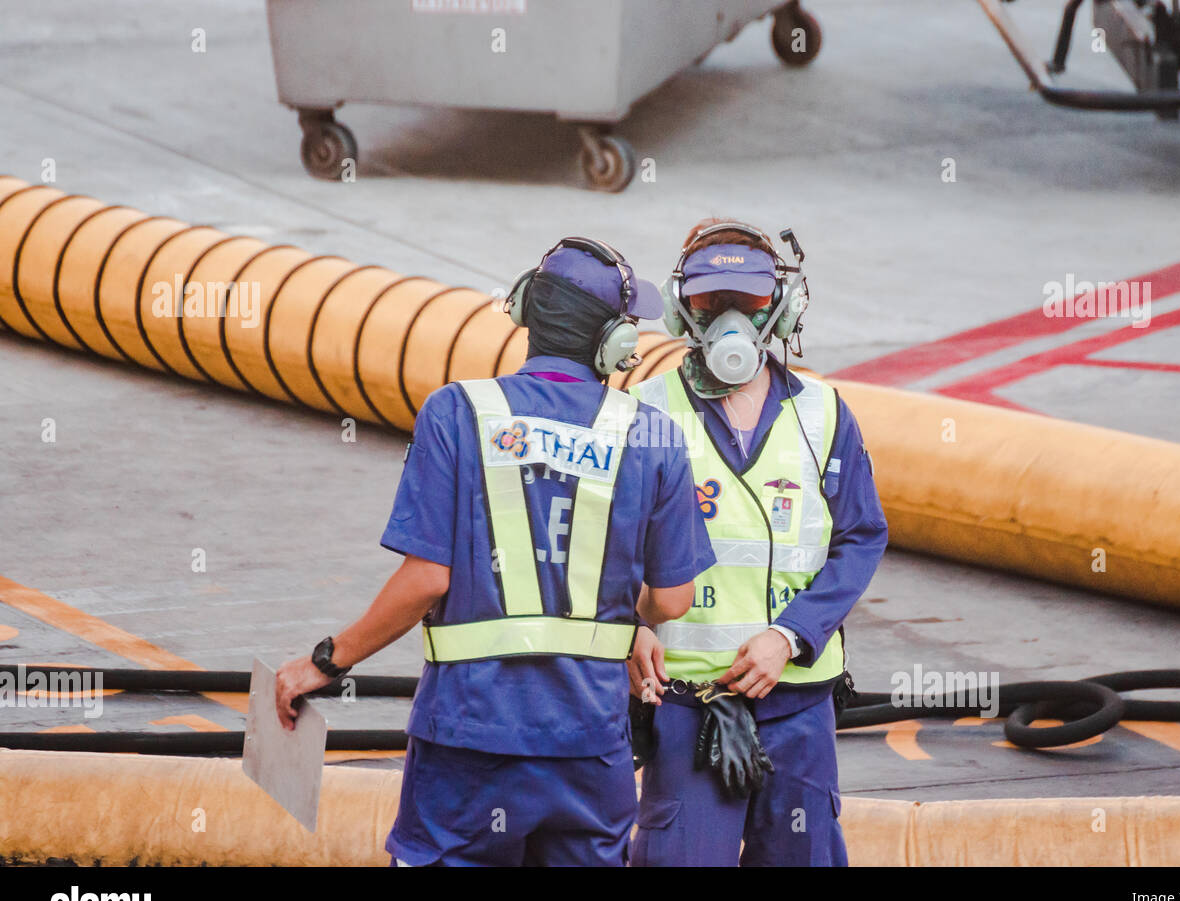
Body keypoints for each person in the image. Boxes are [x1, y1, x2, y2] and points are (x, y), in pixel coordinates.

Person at [275, 237, 714, 866]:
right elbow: (672, 598)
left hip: (469, 739)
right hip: (589, 745)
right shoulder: (652, 434)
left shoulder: (456, 412)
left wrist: (327, 660)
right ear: (615, 344)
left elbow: (427, 579)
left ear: (524, 309)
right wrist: (624, 621)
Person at [626, 219, 888, 867]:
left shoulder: (824, 414)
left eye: (750, 301)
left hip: (796, 699)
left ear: (785, 306)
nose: (731, 319)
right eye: (713, 302)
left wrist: (791, 635)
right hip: (688, 702)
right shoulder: (645, 411)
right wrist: (629, 628)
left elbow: (860, 537)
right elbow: (607, 544)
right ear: (684, 307)